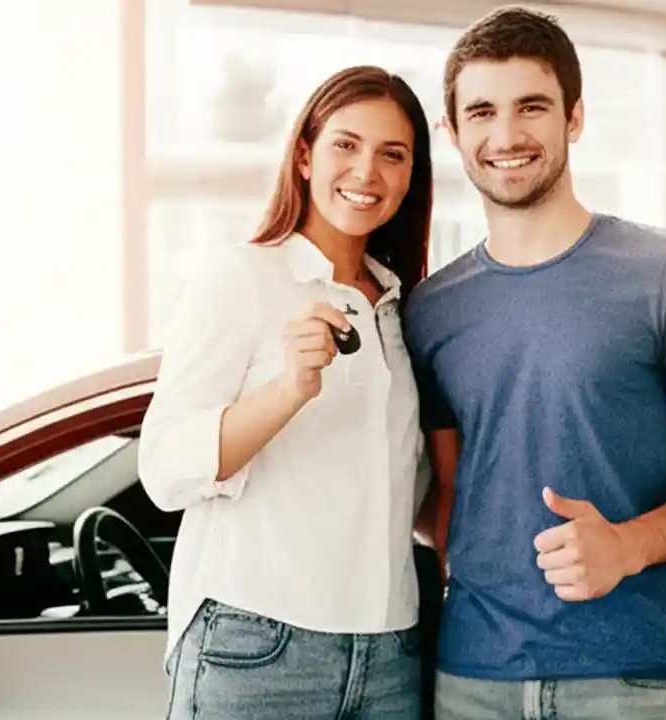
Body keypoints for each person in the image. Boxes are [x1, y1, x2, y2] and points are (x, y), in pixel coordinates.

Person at [404, 7, 666, 719]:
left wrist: (630, 547)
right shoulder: (433, 309)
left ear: (574, 118)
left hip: (630, 684)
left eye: (531, 107)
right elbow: (448, 505)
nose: (506, 136)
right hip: (472, 683)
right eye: (481, 112)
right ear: (452, 133)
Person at [138, 65, 434, 719]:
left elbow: (408, 493)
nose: (367, 174)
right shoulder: (240, 277)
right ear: (304, 155)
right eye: (346, 145)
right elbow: (163, 472)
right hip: (257, 649)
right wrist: (289, 390)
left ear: (413, 174)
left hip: (390, 655)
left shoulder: (400, 304)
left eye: (394, 155)